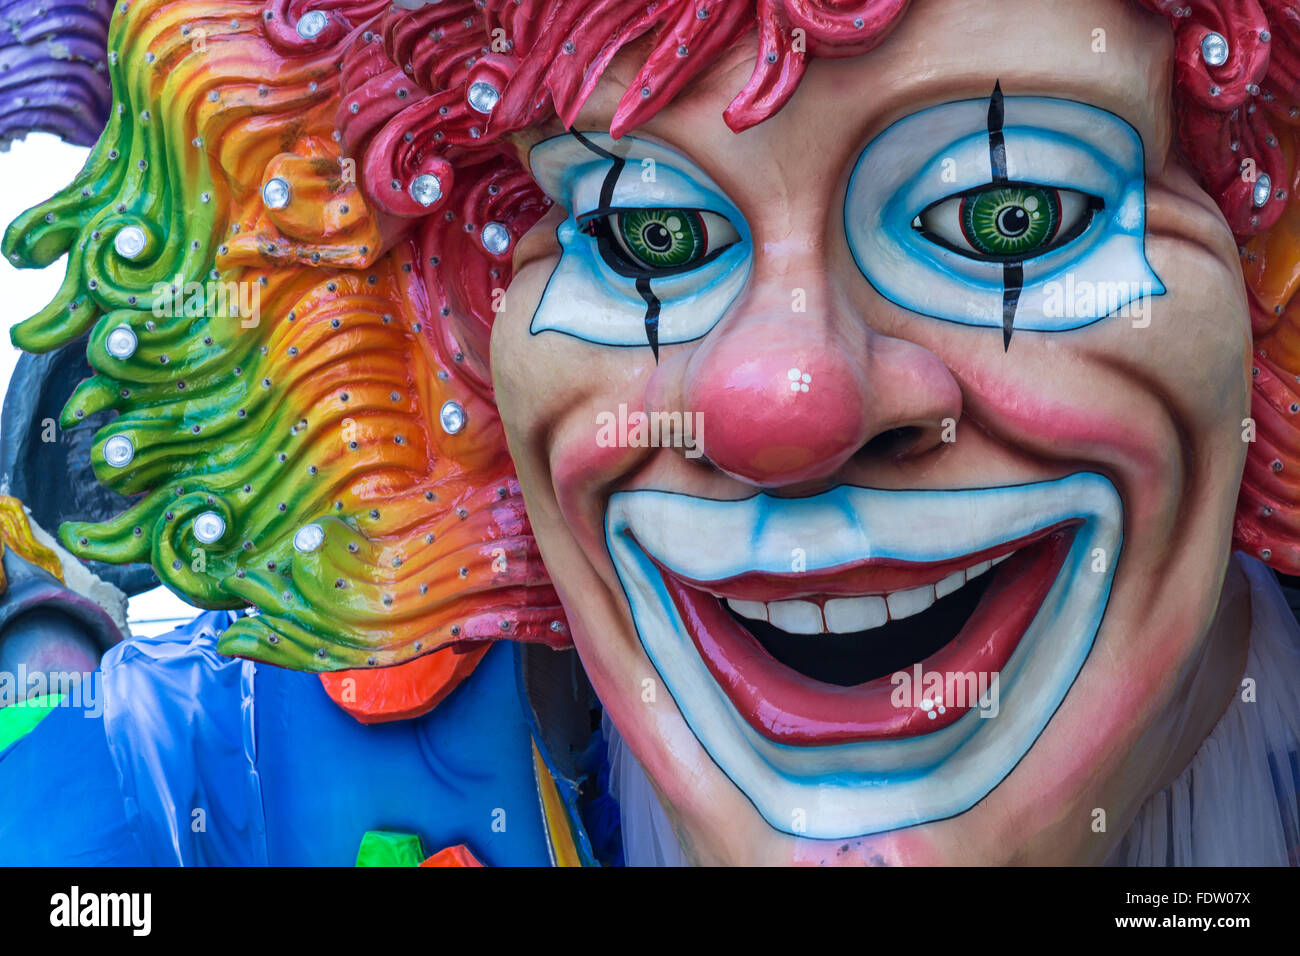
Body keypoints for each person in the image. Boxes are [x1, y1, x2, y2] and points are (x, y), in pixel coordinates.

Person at [2, 0, 1299, 865]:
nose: (785, 408)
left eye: (1009, 214)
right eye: (646, 234)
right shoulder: (200, 791)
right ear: (460, 318)